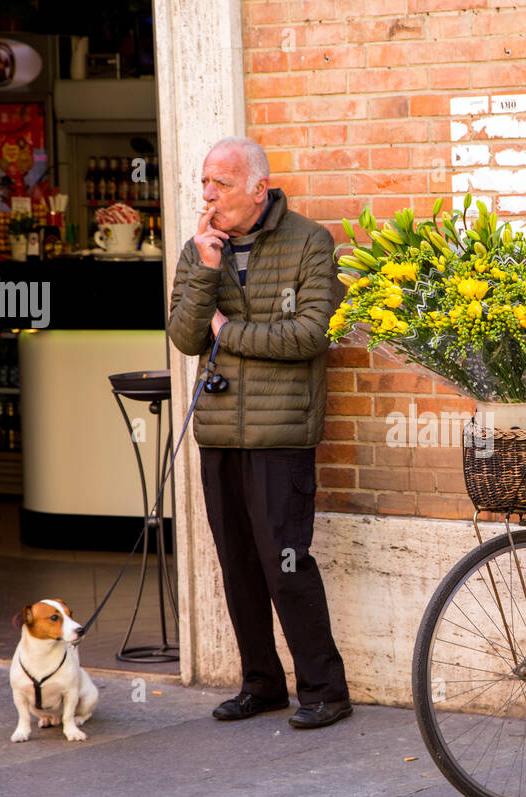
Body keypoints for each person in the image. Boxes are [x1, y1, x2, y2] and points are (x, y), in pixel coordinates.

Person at [168, 136, 352, 729]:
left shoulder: (309, 241)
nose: (207, 195)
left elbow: (310, 335)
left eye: (219, 184)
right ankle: (261, 684)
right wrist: (206, 273)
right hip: (219, 433)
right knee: (238, 564)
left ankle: (325, 690)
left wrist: (228, 331)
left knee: (287, 563)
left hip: (281, 436)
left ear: (257, 188)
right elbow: (185, 337)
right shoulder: (199, 251)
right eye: (204, 183)